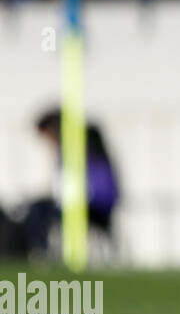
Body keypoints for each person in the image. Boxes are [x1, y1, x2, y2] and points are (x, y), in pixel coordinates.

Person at [0, 108, 119, 260]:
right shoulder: (77, 150)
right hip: (84, 205)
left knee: (38, 211)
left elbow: (91, 188)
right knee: (37, 207)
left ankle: (41, 252)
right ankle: (40, 250)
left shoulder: (82, 148)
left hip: (94, 208)